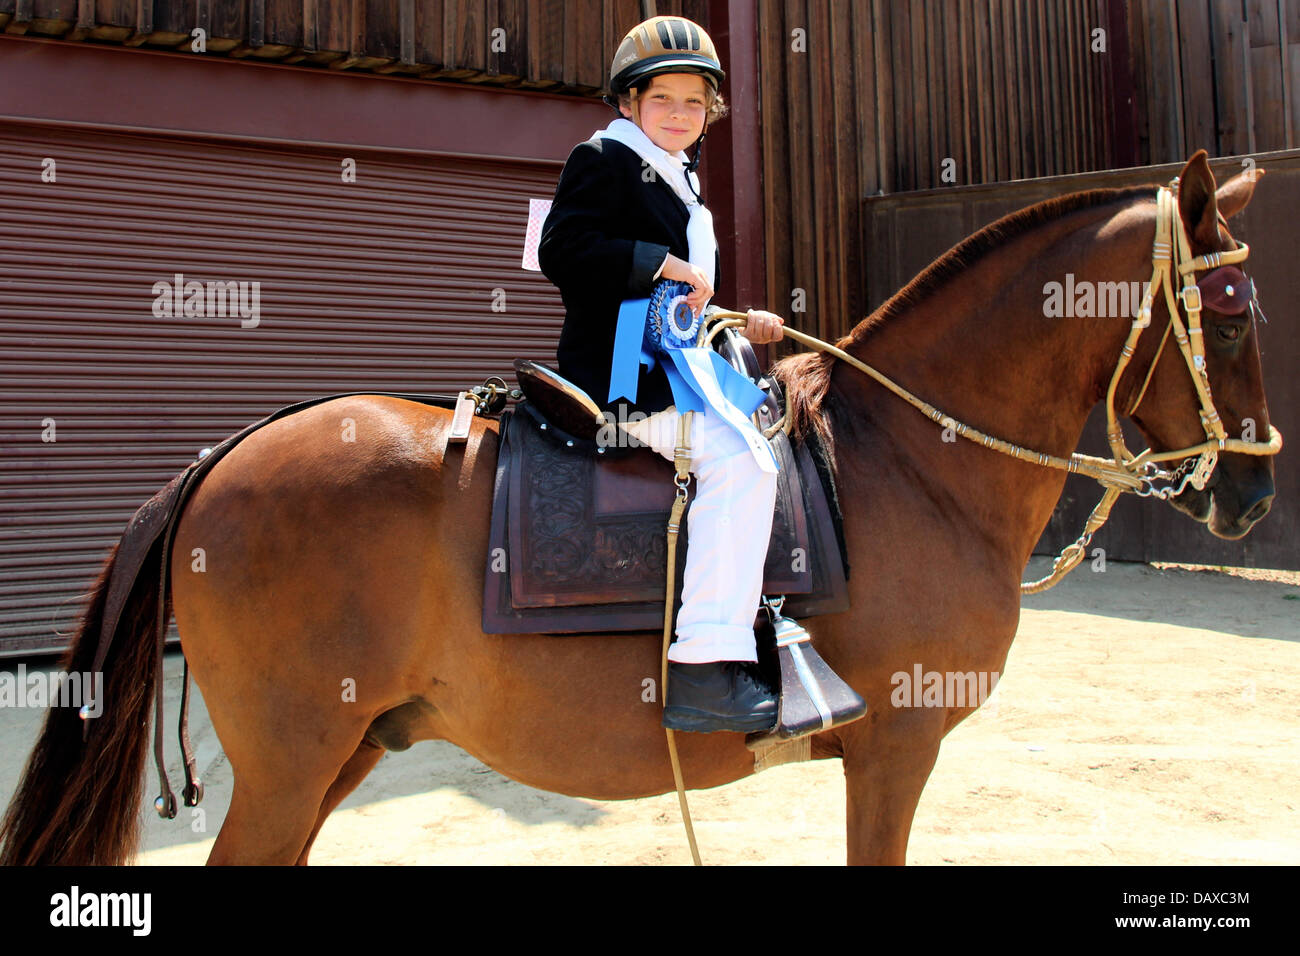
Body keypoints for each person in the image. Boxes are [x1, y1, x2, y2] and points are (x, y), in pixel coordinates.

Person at [539, 15, 787, 734]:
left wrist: (741, 323)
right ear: (628, 104)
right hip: (621, 380)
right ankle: (706, 666)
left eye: (693, 103)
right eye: (662, 101)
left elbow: (684, 311)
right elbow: (564, 248)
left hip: (674, 367)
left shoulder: (683, 178)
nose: (680, 115)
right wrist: (658, 261)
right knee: (745, 461)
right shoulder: (603, 159)